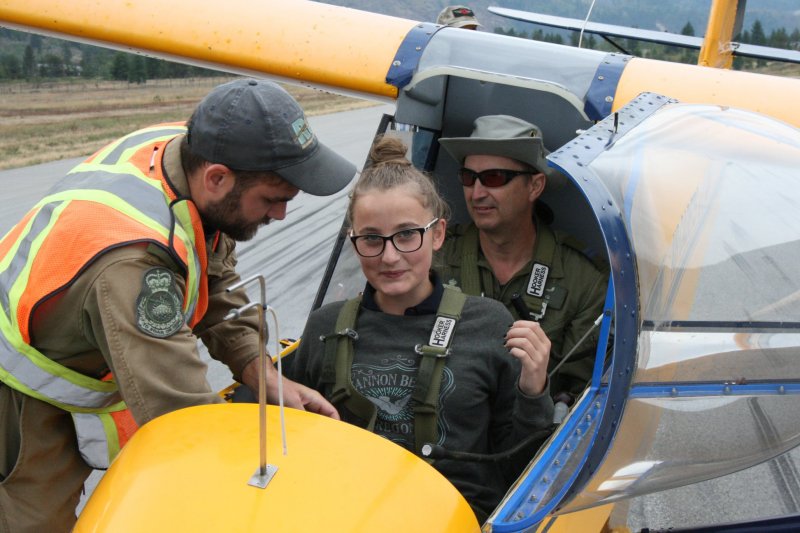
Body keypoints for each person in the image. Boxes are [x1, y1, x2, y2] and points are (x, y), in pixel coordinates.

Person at [0, 78, 353, 532]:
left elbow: (213, 268)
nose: (281, 214)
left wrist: (261, 373)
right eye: (272, 198)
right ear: (217, 179)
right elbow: (184, 415)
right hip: (21, 395)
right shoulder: (134, 268)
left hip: (75, 344)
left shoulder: (184, 153)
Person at [288, 135, 554, 522]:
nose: (390, 256)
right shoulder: (324, 327)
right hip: (347, 514)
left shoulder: (490, 324)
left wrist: (534, 389)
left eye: (407, 234)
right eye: (371, 239)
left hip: (456, 518)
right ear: (353, 241)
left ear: (438, 233)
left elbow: (523, 469)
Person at [437, 115, 608, 404]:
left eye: (493, 178)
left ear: (535, 186)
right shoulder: (433, 257)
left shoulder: (584, 280)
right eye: (469, 178)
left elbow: (579, 394)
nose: (477, 193)